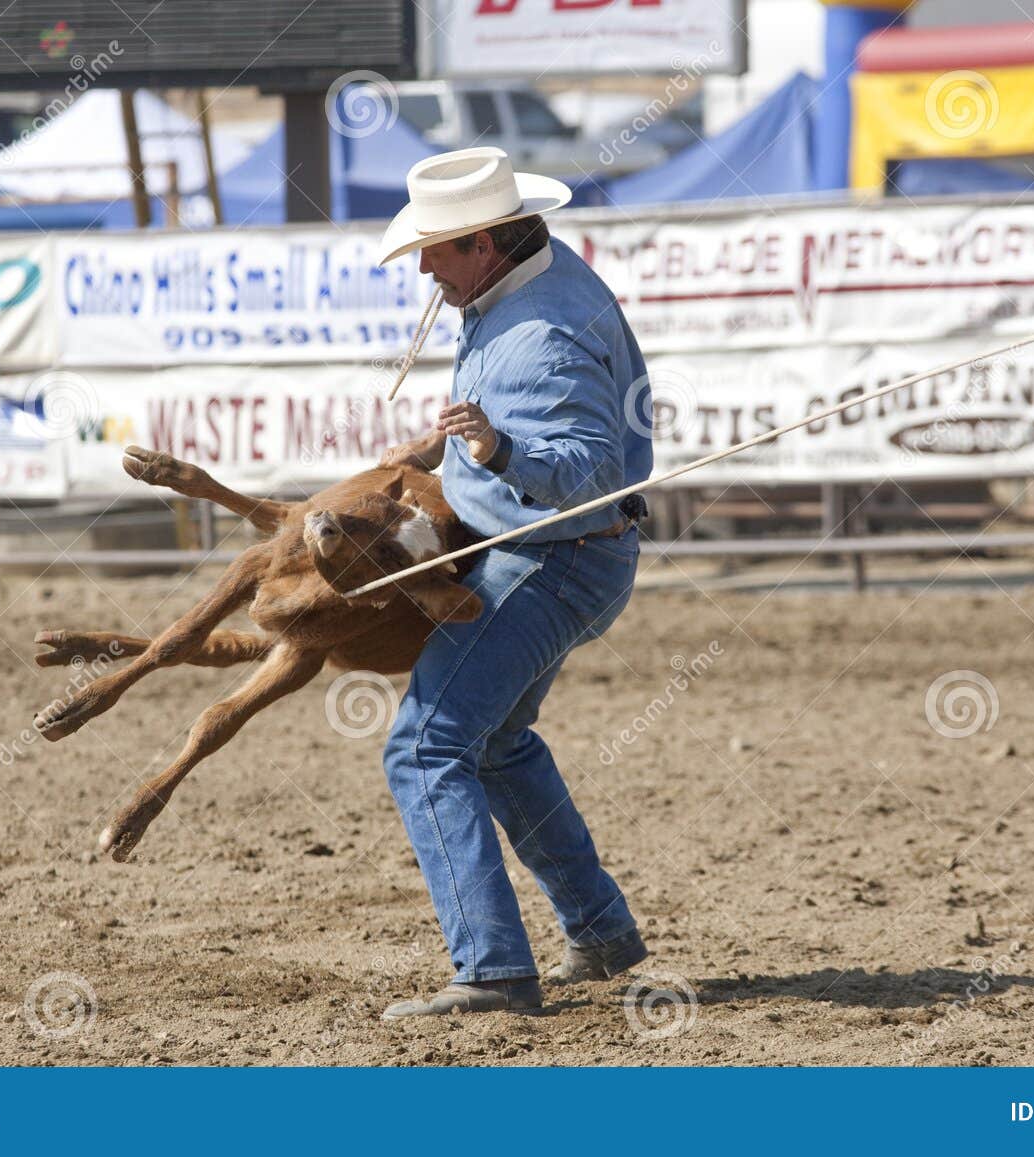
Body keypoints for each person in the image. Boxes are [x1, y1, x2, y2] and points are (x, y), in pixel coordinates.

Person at [371, 147, 653, 1018]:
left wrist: (498, 451)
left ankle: (493, 970)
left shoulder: (542, 334)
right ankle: (599, 930)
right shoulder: (529, 283)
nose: (424, 266)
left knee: (426, 744)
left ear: (485, 243)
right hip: (567, 555)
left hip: (551, 558)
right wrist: (451, 449)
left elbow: (591, 472)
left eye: (435, 249)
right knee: (492, 742)